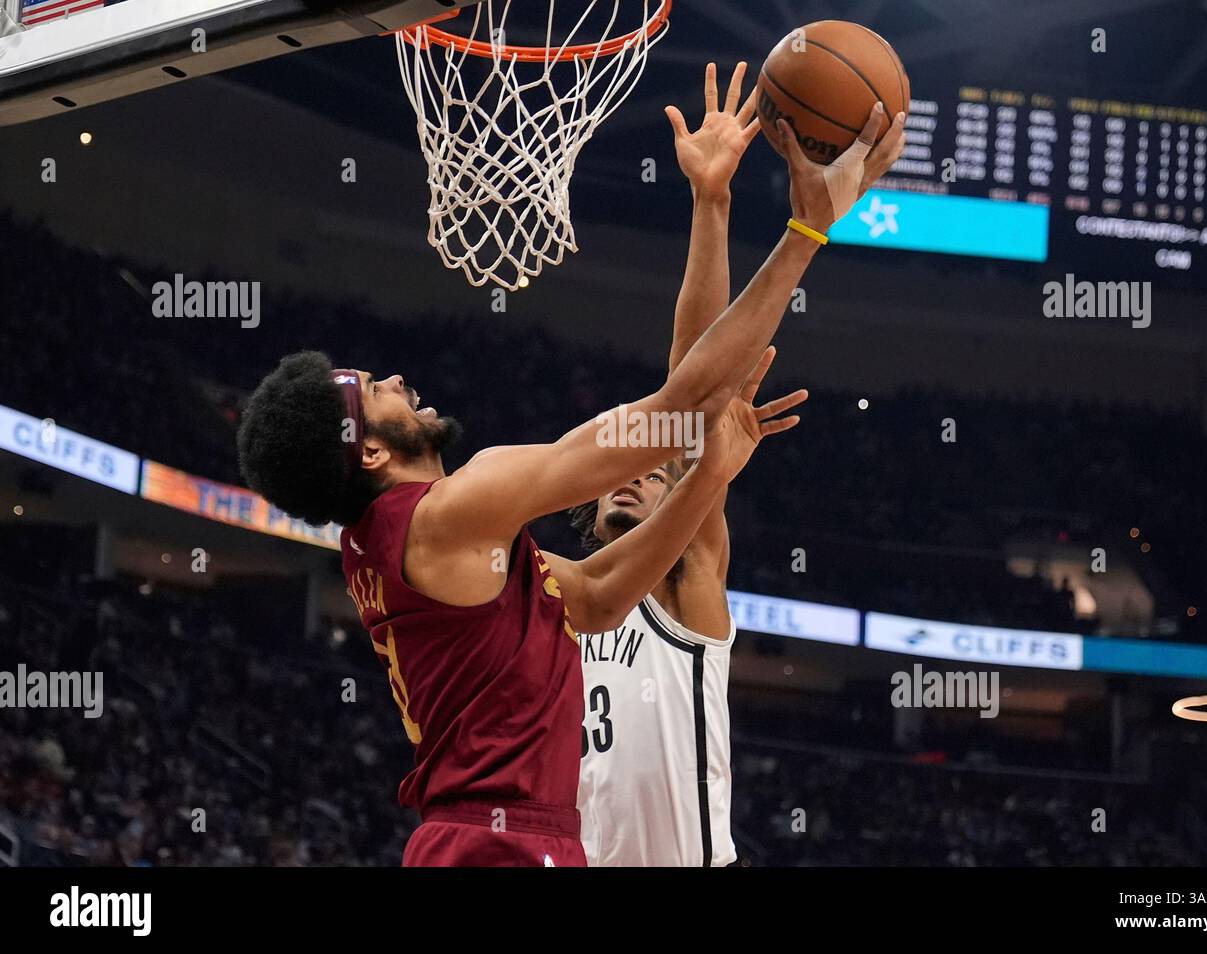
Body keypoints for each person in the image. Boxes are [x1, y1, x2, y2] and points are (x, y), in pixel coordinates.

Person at [235, 92, 904, 866]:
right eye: (371, 389)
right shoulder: (458, 508)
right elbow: (681, 407)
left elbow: (596, 595)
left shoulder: (413, 551)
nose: (391, 377)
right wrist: (805, 231)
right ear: (372, 451)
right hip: (504, 840)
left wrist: (705, 474)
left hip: (497, 837)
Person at [572, 64, 905, 866]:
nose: (635, 475)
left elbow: (693, 388)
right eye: (626, 474)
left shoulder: (687, 580)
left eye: (655, 479)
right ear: (581, 509)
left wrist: (712, 204)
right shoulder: (558, 601)